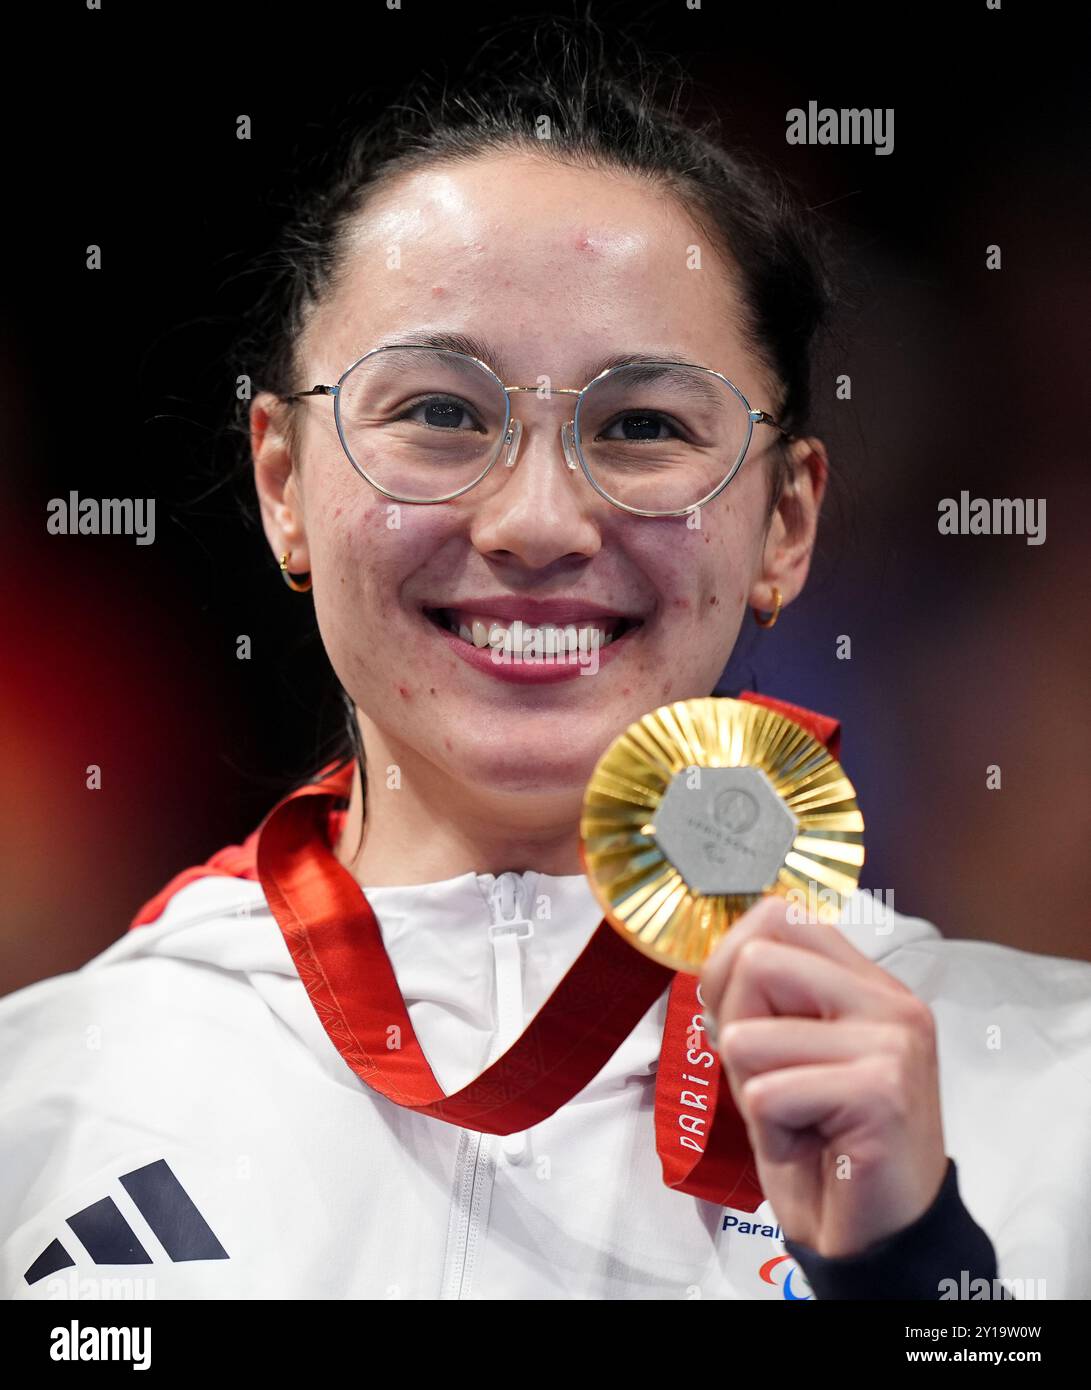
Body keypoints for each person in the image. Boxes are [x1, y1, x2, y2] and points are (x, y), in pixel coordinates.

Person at [2, 21, 1089, 1302]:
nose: (533, 522)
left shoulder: (1050, 1100)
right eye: (437, 414)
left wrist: (921, 1282)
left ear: (783, 524)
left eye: (639, 426)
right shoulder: (42, 1103)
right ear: (282, 484)